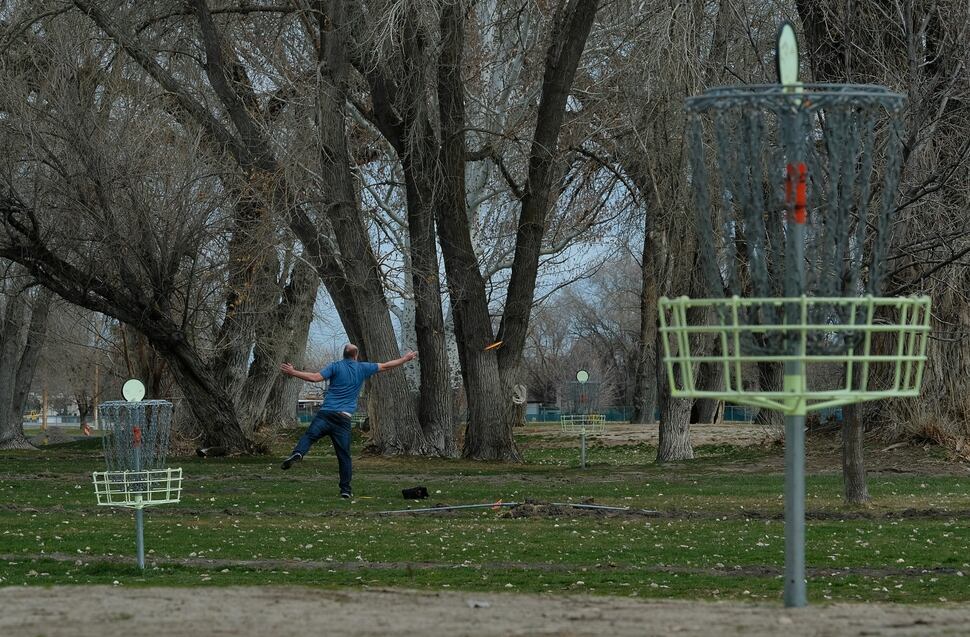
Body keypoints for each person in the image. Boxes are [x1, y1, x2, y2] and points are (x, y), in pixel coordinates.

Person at [279, 344, 417, 499]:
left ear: (344, 355)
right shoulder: (362, 368)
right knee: (344, 456)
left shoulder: (335, 366)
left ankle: (298, 453)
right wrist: (405, 359)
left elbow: (315, 377)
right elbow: (385, 366)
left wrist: (292, 372)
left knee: (309, 436)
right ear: (355, 356)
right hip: (343, 419)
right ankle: (345, 490)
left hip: (326, 414)